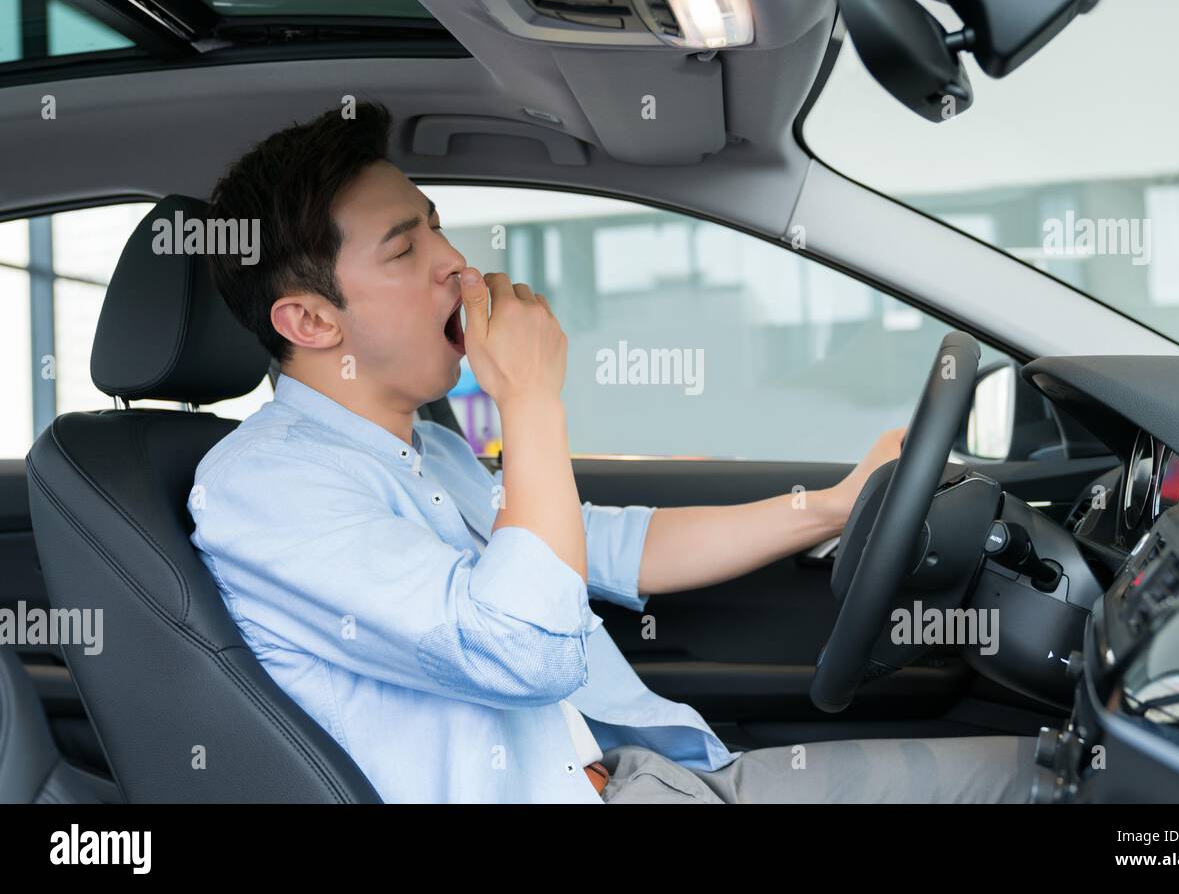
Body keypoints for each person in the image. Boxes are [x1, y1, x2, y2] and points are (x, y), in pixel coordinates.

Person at [188, 101, 1036, 803]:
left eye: (438, 228)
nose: (456, 263)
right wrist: (529, 400)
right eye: (407, 248)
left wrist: (834, 504)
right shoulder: (266, 486)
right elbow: (522, 646)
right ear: (311, 320)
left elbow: (604, 545)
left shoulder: (427, 450)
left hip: (647, 779)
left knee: (1043, 778)